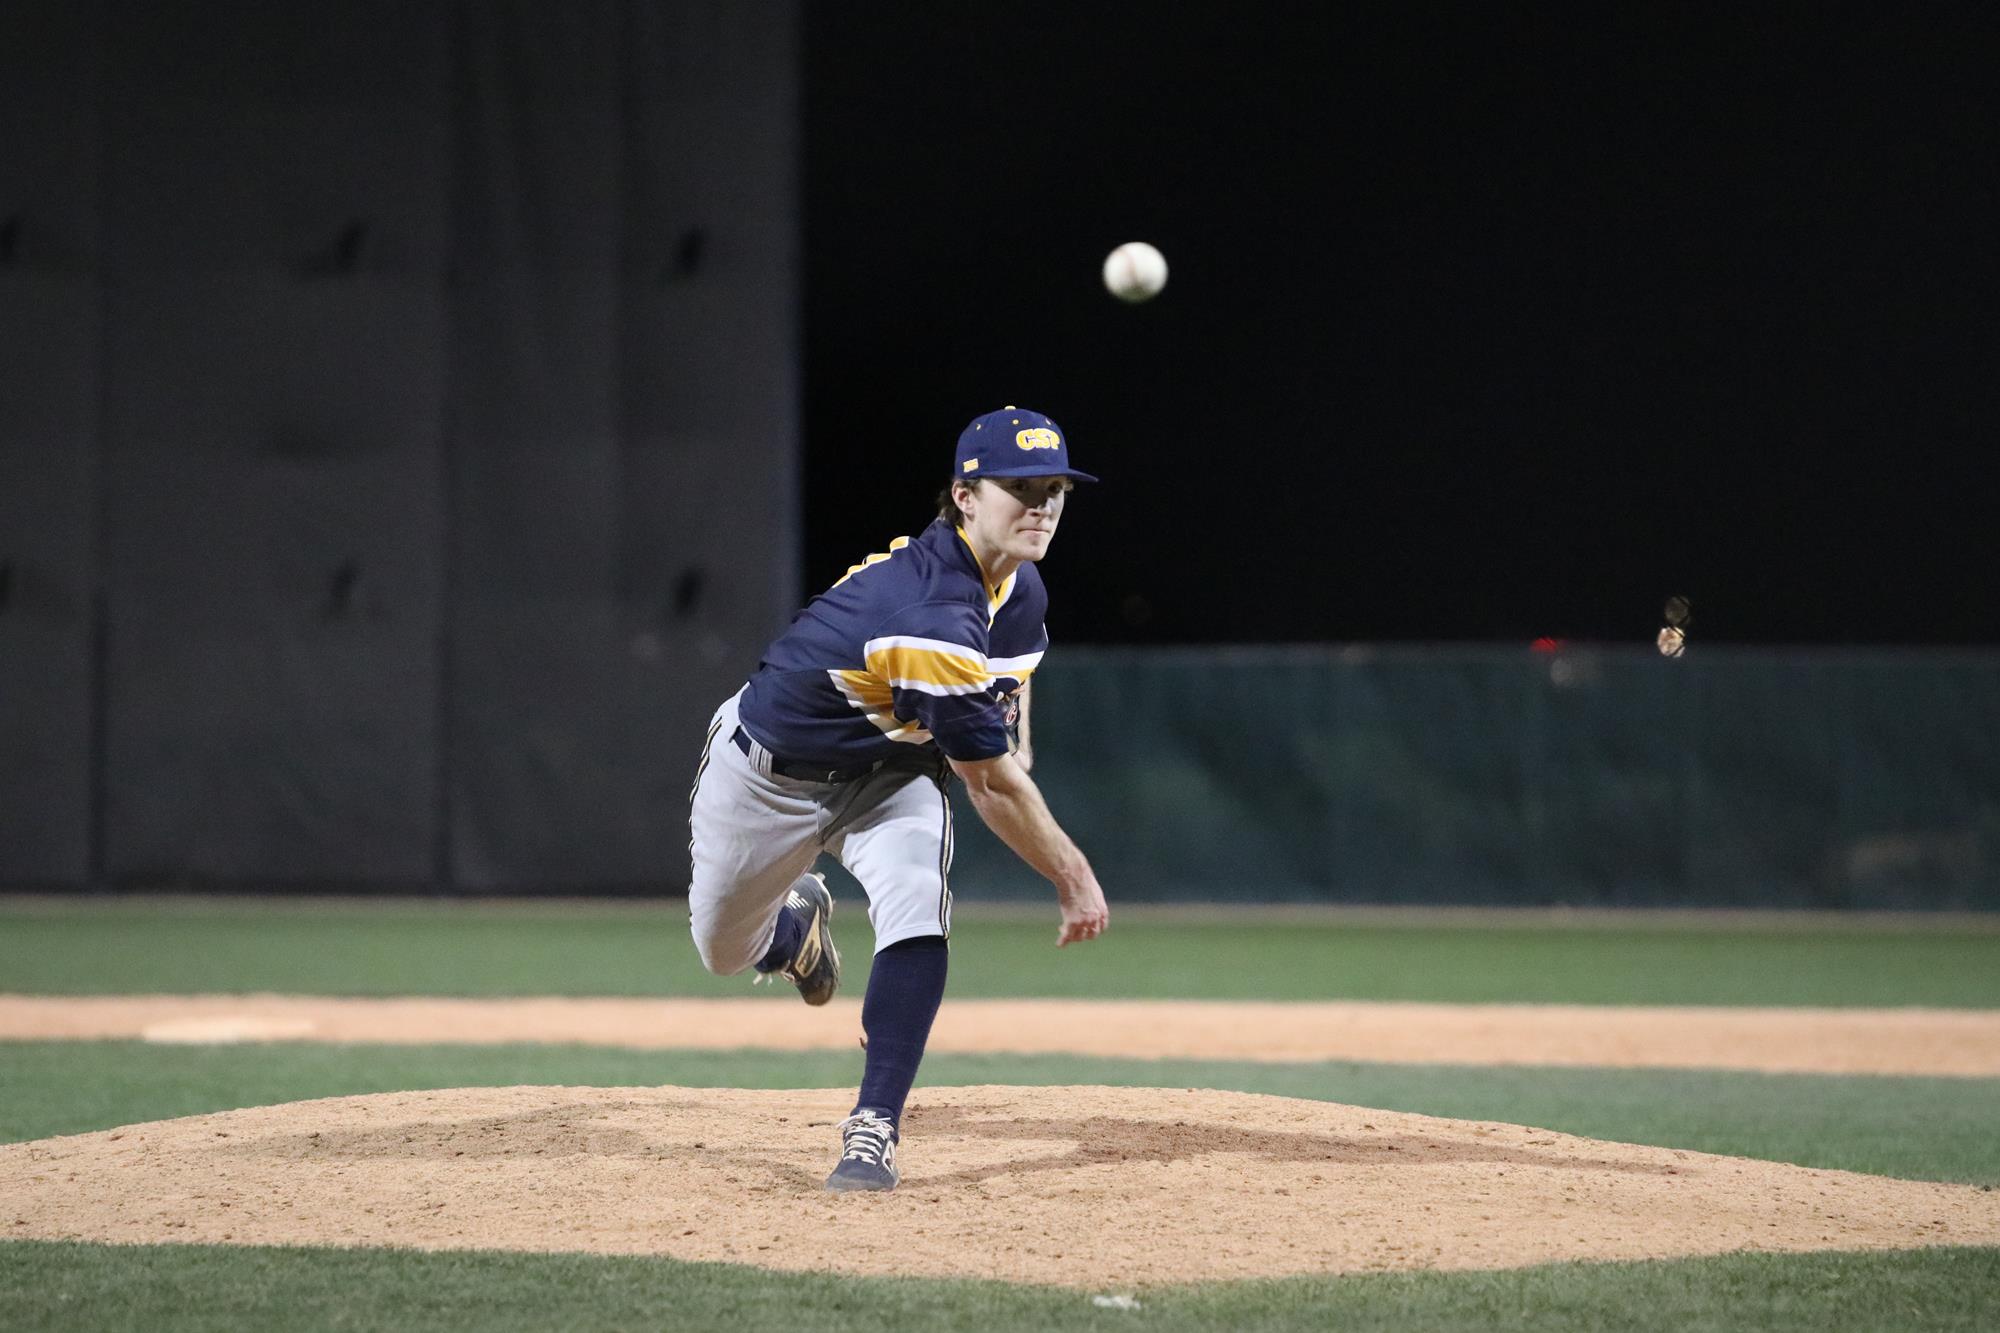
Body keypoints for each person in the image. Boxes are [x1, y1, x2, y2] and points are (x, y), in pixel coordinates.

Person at [686, 406, 1110, 1192]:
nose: (1042, 505)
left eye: (1054, 488)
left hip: (888, 772)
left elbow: (1007, 693)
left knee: (916, 899)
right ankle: (792, 933)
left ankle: (873, 1124)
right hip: (766, 777)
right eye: (1020, 488)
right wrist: (1073, 874)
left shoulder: (1019, 588)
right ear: (965, 496)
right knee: (722, 951)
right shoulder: (929, 615)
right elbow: (989, 781)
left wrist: (1005, 737)